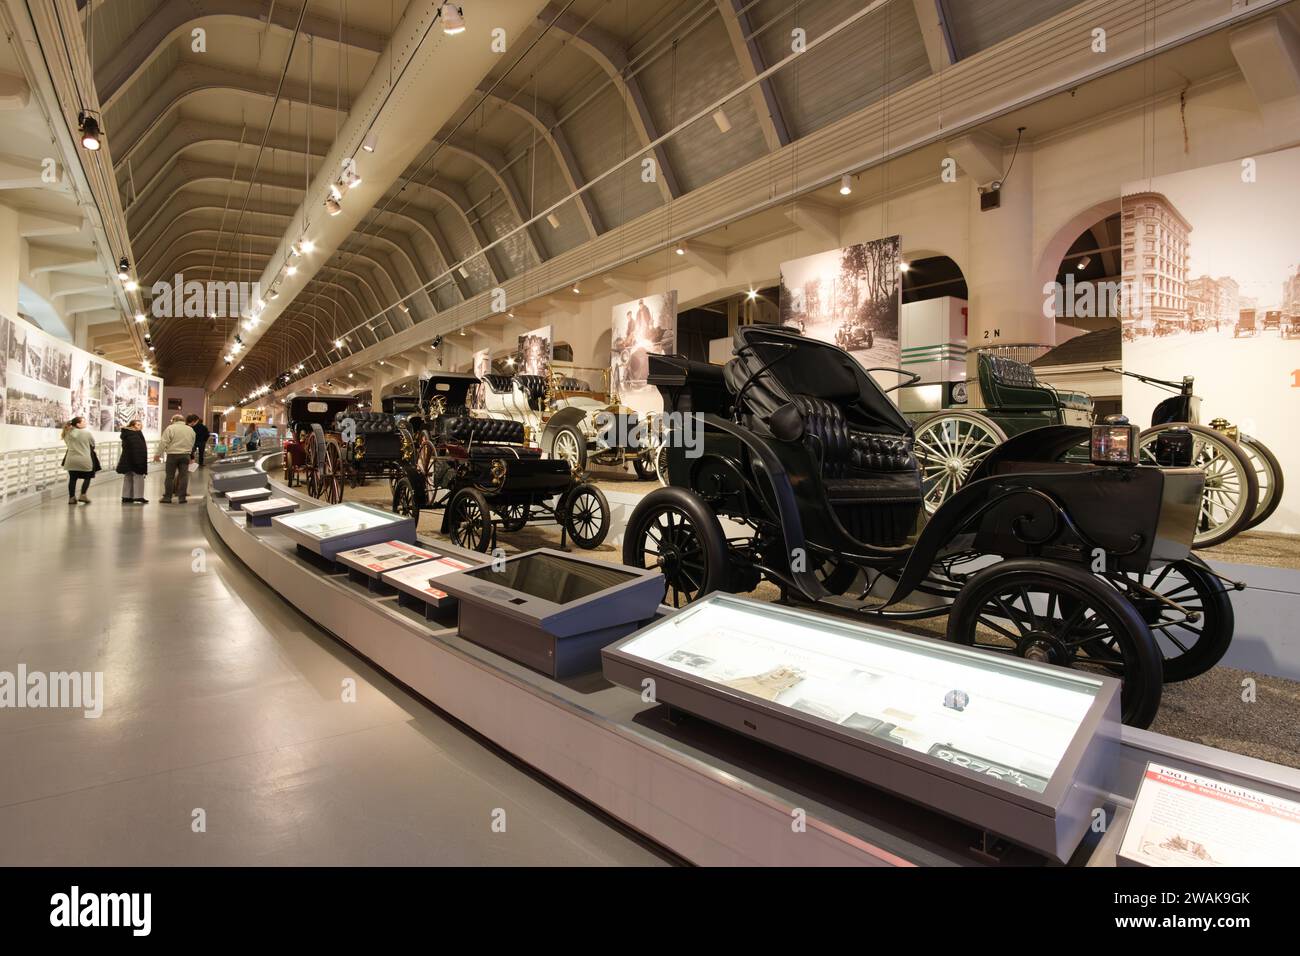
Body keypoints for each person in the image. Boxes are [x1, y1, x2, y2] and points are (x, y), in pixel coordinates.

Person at [154, 413, 196, 503]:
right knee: (184, 476)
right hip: (185, 455)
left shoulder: (170, 428)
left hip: (172, 455)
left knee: (169, 477)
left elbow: (163, 442)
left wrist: (158, 454)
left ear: (173, 420)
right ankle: (182, 498)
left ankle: (167, 497)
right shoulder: (190, 429)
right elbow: (193, 443)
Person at [61, 416, 97, 505]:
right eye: (83, 422)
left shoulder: (67, 433)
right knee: (88, 477)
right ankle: (83, 495)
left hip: (71, 459)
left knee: (72, 479)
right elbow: (93, 444)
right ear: (78, 424)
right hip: (84, 459)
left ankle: (71, 498)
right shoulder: (87, 433)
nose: (85, 423)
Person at [116, 419, 149, 504]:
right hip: (135, 460)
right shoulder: (134, 434)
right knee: (138, 478)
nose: (140, 426)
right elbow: (137, 449)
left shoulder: (127, 434)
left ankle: (126, 496)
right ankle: (138, 496)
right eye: (137, 424)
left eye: (140, 424)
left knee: (128, 477)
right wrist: (139, 463)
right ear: (132, 426)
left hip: (127, 459)